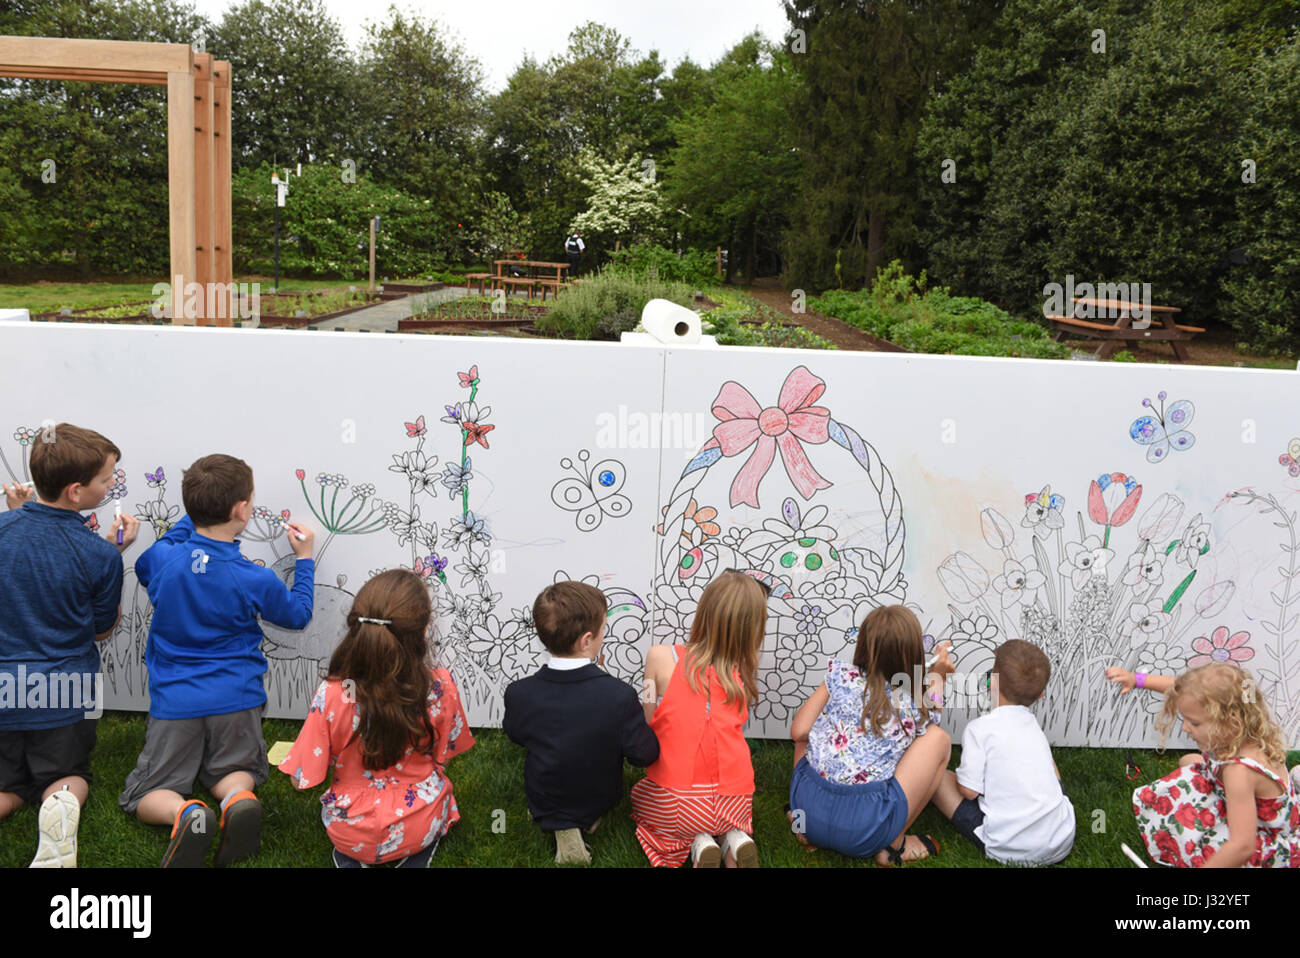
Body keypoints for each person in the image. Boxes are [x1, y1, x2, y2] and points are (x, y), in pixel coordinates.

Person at [119, 454, 315, 867]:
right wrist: (305, 559)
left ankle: (183, 813)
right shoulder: (254, 578)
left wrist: (194, 516)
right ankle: (237, 798)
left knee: (147, 792)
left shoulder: (162, 561)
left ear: (191, 507)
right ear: (242, 510)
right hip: (237, 700)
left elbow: (156, 556)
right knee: (235, 767)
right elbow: (297, 616)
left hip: (177, 703)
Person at [0, 424, 139, 867]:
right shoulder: (97, 554)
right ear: (76, 492)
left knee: (8, 784)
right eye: (106, 480)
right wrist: (114, 555)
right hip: (64, 692)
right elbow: (101, 629)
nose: (111, 486)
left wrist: (15, 517)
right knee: (67, 776)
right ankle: (59, 807)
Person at [280, 569, 474, 867]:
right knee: (440, 795)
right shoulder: (440, 686)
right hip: (419, 822)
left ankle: (359, 857)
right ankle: (411, 853)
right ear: (423, 631)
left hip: (349, 831)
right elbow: (445, 754)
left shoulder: (333, 693)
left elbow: (301, 779)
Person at [503, 581, 658, 865]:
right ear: (587, 640)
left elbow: (516, 735)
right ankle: (582, 819)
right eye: (603, 631)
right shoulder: (619, 697)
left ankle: (554, 817)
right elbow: (643, 754)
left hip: (543, 791)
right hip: (597, 796)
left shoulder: (519, 693)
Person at [789, 604, 953, 865]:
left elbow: (798, 731)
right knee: (938, 739)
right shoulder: (913, 698)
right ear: (914, 654)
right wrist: (938, 676)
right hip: (863, 829)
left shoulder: (839, 675)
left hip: (806, 813)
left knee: (806, 738)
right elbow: (934, 705)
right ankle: (894, 847)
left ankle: (801, 829)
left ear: (863, 644)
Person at [1107, 662, 1298, 867]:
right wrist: (1137, 680)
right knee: (1189, 761)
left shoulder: (1238, 771)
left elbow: (1242, 845)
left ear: (1229, 722)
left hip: (1264, 839)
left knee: (1208, 847)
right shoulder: (1244, 728)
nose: (1185, 727)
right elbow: (1179, 688)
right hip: (1254, 806)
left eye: (1194, 723)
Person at [633, 571, 764, 867]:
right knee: (723, 811)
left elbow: (649, 719)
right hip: (736, 799)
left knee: (640, 798)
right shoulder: (740, 674)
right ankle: (734, 838)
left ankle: (695, 843)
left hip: (677, 802)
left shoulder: (659, 656)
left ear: (704, 611)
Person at [932, 639, 1075, 865]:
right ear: (1040, 695)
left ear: (992, 683)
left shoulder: (979, 730)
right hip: (1061, 838)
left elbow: (968, 792)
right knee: (1048, 762)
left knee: (936, 776)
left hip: (1010, 847)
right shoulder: (1032, 725)